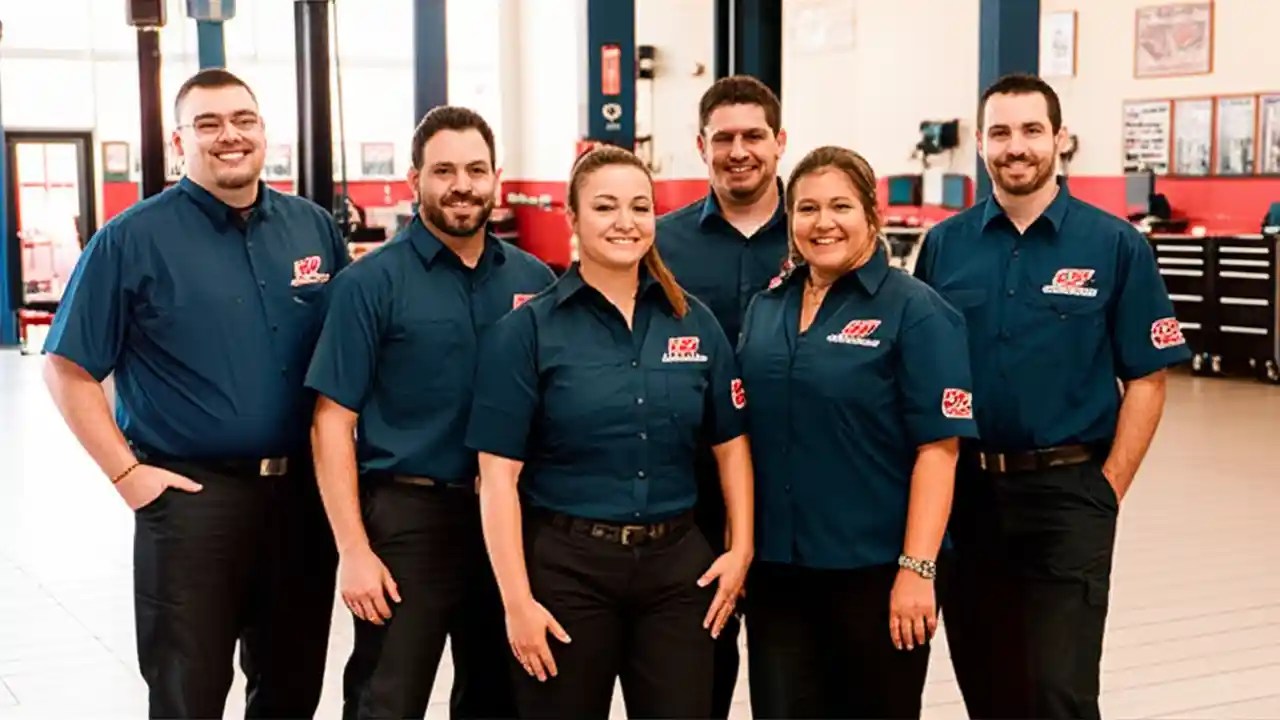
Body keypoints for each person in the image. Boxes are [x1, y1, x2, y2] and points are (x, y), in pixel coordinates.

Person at [41, 68, 348, 718]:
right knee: (188, 694)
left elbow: (350, 360)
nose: (228, 136)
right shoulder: (131, 239)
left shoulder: (314, 229)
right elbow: (66, 369)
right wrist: (128, 476)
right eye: (207, 124)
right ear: (180, 141)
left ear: (264, 131)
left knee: (291, 688)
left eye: (243, 120)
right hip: (190, 502)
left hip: (301, 502)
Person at [913, 73, 1192, 719]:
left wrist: (1108, 489)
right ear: (980, 142)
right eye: (1002, 132)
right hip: (968, 500)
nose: (1017, 147)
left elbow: (1148, 378)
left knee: (1059, 691)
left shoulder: (1116, 245)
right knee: (988, 684)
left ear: (1060, 139)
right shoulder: (945, 247)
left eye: (1033, 130)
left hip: (1068, 498)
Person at [464, 145, 755, 719]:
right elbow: (496, 480)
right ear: (572, 217)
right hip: (566, 574)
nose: (625, 221)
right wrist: (516, 601)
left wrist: (740, 549)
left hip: (678, 574)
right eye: (605, 206)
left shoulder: (694, 322)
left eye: (640, 206)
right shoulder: (526, 332)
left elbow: (732, 446)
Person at [303, 106, 555, 720]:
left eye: (475, 169)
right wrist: (353, 550)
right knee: (387, 696)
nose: (461, 185)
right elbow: (330, 422)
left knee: (501, 693)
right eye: (443, 170)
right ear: (415, 179)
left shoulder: (537, 281)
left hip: (511, 519)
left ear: (496, 177)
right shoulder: (371, 284)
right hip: (406, 520)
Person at [736, 146, 978, 719]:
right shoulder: (765, 310)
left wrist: (917, 571)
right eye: (807, 208)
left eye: (840, 205)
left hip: (874, 576)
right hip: (778, 575)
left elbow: (939, 452)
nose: (823, 223)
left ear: (871, 212)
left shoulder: (917, 312)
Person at [655, 74, 790, 716]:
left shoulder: (819, 232)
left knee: (791, 670)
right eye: (724, 138)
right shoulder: (661, 243)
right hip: (693, 491)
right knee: (696, 665)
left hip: (799, 484)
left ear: (779, 141)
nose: (740, 151)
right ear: (701, 144)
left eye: (754, 136)